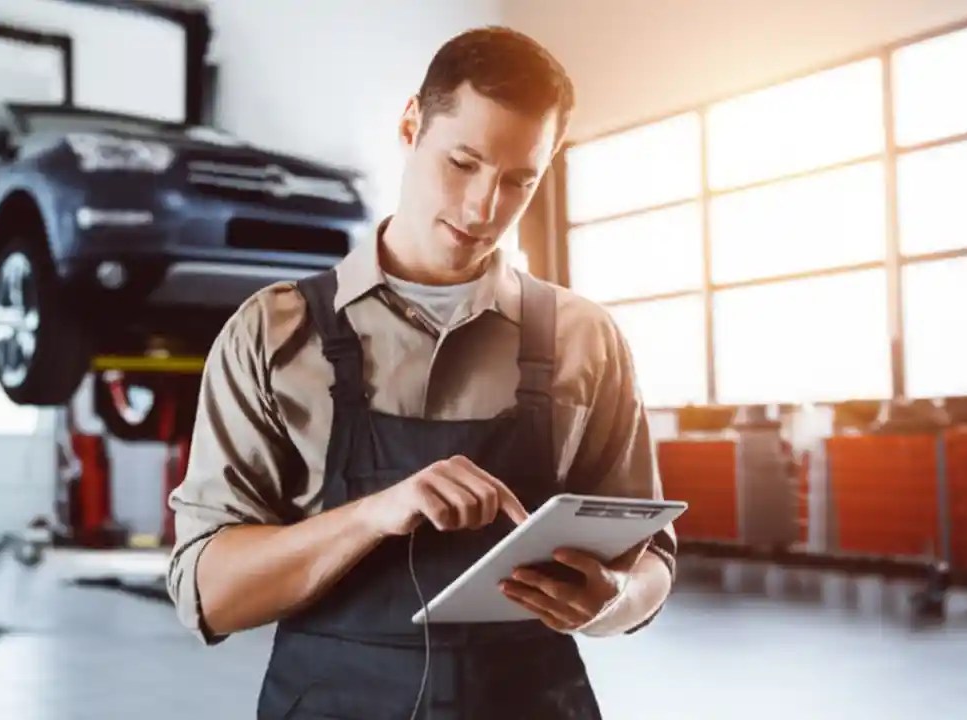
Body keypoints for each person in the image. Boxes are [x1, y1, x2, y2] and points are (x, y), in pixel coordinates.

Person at [166, 26, 678, 720]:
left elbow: (652, 563)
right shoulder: (272, 335)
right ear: (412, 124)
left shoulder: (587, 340)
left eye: (518, 181)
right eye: (462, 162)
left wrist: (610, 600)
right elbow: (210, 592)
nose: (482, 208)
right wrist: (375, 514)